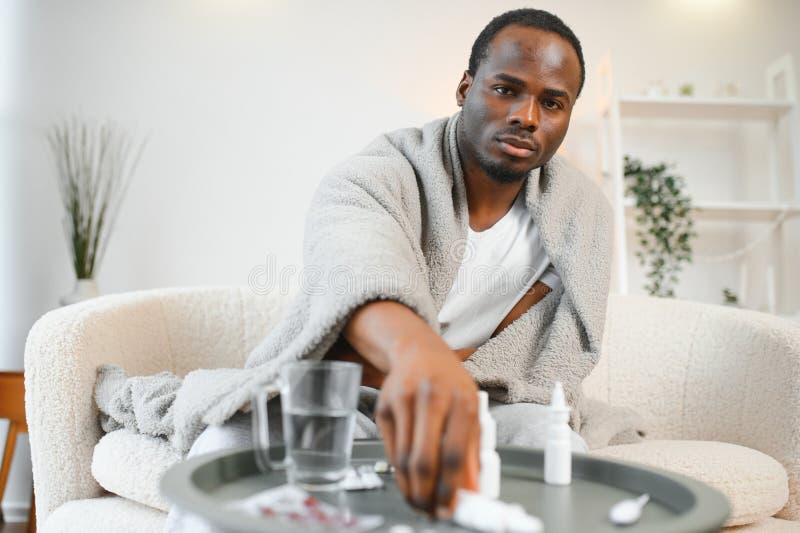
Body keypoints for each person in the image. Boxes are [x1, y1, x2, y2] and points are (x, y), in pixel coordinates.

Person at [165, 7, 607, 532]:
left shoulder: (579, 216)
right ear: (466, 88)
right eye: (506, 89)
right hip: (344, 396)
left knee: (556, 448)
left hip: (483, 405)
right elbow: (357, 266)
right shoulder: (381, 173)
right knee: (224, 449)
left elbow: (538, 349)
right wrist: (416, 359)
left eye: (551, 102)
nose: (527, 116)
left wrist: (450, 385)